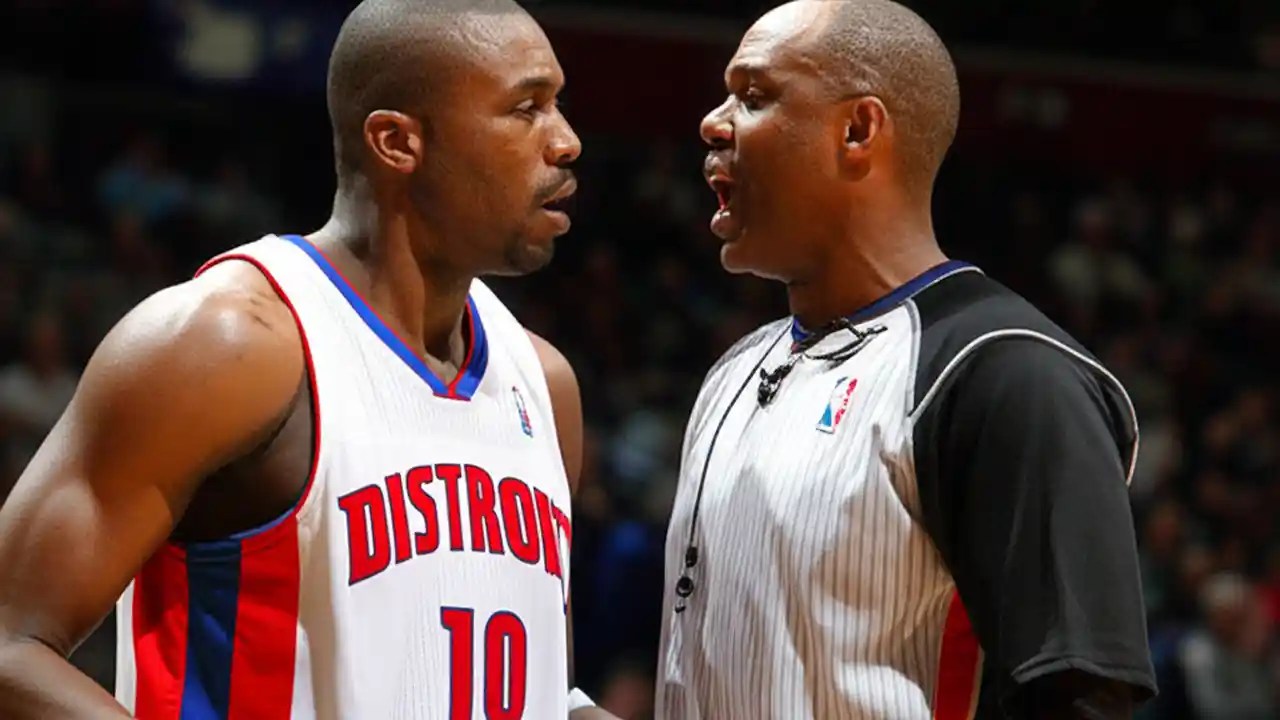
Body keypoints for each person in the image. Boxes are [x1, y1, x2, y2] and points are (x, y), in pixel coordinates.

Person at [0, 0, 615, 717]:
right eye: (526, 108)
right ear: (396, 141)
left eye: (559, 105)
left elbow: (537, 688)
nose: (567, 141)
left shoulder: (544, 384)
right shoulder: (231, 343)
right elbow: (12, 643)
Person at [655, 1, 1156, 718]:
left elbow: (1080, 698)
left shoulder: (1009, 372)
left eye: (754, 96)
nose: (713, 121)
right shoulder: (732, 372)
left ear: (856, 130)